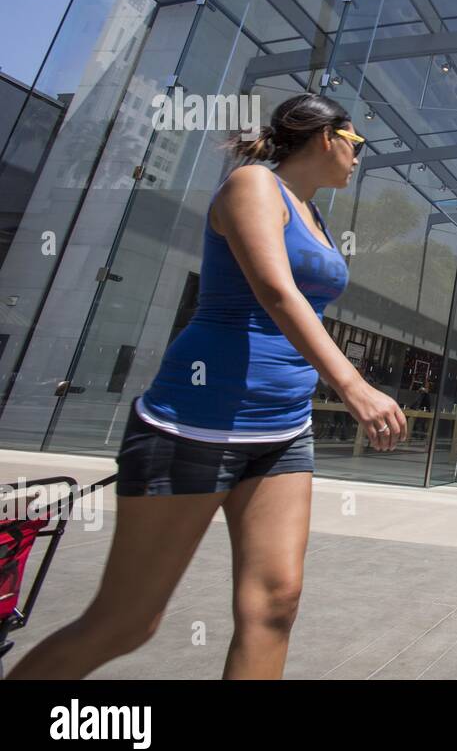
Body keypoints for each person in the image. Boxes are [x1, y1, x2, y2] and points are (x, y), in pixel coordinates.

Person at [8, 94, 408, 680]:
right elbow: (275, 293)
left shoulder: (313, 214)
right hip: (193, 423)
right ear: (328, 138)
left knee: (274, 607)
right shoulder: (253, 186)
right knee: (126, 623)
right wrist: (352, 385)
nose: (358, 158)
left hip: (283, 431)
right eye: (357, 145)